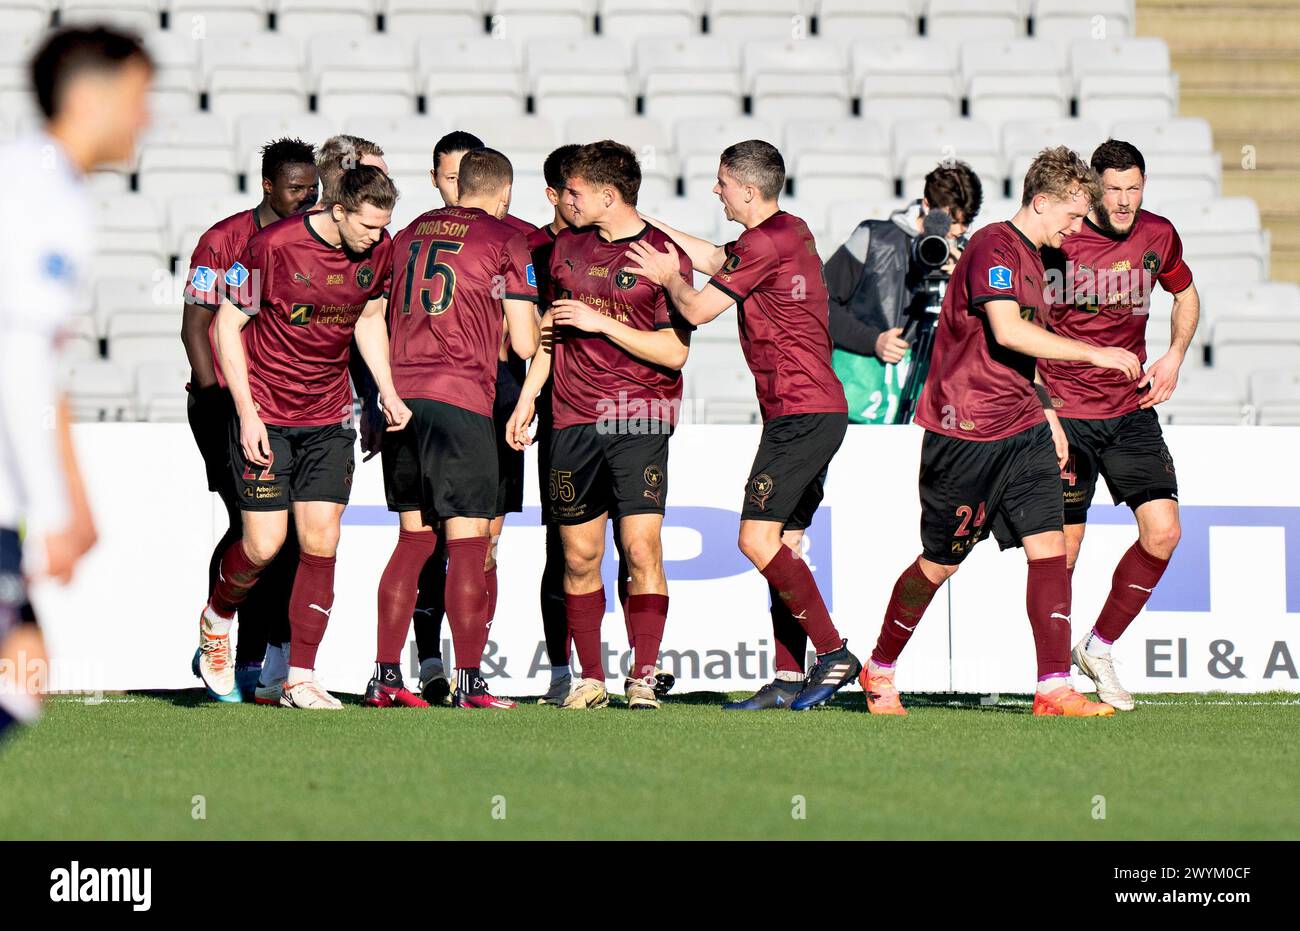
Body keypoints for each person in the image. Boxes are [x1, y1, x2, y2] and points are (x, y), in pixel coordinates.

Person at [857, 146, 1142, 717]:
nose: (1078, 226)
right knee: (940, 564)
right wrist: (1099, 355)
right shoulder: (993, 245)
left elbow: (1026, 357)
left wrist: (1050, 413)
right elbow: (1009, 332)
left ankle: (1054, 688)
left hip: (1022, 427)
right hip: (965, 429)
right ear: (1040, 202)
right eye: (1072, 214)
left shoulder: (1041, 260)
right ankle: (880, 667)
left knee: (1053, 548)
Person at [626, 140, 860, 711]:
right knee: (782, 543)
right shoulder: (789, 230)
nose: (716, 190)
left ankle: (833, 653)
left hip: (801, 412)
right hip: (809, 410)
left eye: (723, 182)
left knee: (754, 539)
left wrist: (665, 274)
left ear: (748, 190)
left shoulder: (765, 240)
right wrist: (647, 227)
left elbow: (698, 308)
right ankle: (785, 677)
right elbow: (714, 257)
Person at [201, 166, 409, 709]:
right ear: (338, 211)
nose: (375, 237)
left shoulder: (379, 250)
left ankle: (300, 676)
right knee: (264, 546)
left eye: (383, 227)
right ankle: (217, 618)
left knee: (322, 541)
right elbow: (225, 326)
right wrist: (246, 413)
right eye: (367, 226)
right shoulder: (271, 247)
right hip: (266, 412)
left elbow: (367, 315)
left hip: (328, 417)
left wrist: (386, 389)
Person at [0, 26, 151, 741]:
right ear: (90, 97)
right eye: (138, 96)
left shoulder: (49, 185)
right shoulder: (37, 195)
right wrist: (54, 512)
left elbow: (41, 368)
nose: (147, 117)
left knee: (24, 665)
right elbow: (18, 362)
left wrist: (74, 502)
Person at [506, 140, 694, 711]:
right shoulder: (565, 249)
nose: (565, 199)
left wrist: (602, 322)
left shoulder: (663, 257)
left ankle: (643, 675)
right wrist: (528, 399)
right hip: (570, 419)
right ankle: (590, 677)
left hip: (638, 415)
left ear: (608, 196)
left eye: (574, 191)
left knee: (641, 547)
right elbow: (552, 333)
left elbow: (674, 352)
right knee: (579, 555)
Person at [372, 147, 539, 709]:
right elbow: (522, 342)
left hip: (401, 400)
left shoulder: (408, 233)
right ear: (504, 194)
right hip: (462, 399)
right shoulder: (504, 238)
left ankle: (386, 679)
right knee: (468, 547)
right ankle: (469, 682)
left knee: (413, 541)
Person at [1037, 139, 1198, 711]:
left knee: (1165, 532)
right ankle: (1053, 683)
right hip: (1065, 414)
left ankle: (1098, 647)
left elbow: (1185, 293)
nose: (1125, 201)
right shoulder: (1062, 236)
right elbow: (1020, 322)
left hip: (1130, 411)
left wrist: (1175, 354)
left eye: (1134, 188)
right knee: (1063, 552)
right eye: (1114, 189)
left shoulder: (1158, 234)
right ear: (1094, 187)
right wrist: (1041, 403)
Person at [181, 136, 318, 701]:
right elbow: (197, 327)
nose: (305, 199)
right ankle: (225, 640)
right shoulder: (225, 240)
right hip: (225, 404)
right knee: (250, 526)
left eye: (312, 190)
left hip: (284, 408)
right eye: (294, 189)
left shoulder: (311, 241)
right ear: (267, 186)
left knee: (282, 536)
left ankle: (259, 661)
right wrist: (220, 404)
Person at [823, 162, 982, 424]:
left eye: (965, 223)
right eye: (950, 221)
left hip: (929, 402)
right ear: (927, 206)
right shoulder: (874, 238)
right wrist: (872, 340)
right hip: (861, 398)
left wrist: (961, 281)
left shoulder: (968, 254)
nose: (957, 231)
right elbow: (819, 305)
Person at [525, 142, 583, 705]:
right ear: (555, 195)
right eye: (573, 189)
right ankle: (563, 672)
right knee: (561, 544)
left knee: (632, 541)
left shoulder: (624, 246)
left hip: (620, 416)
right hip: (556, 410)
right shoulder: (533, 248)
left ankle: (630, 667)